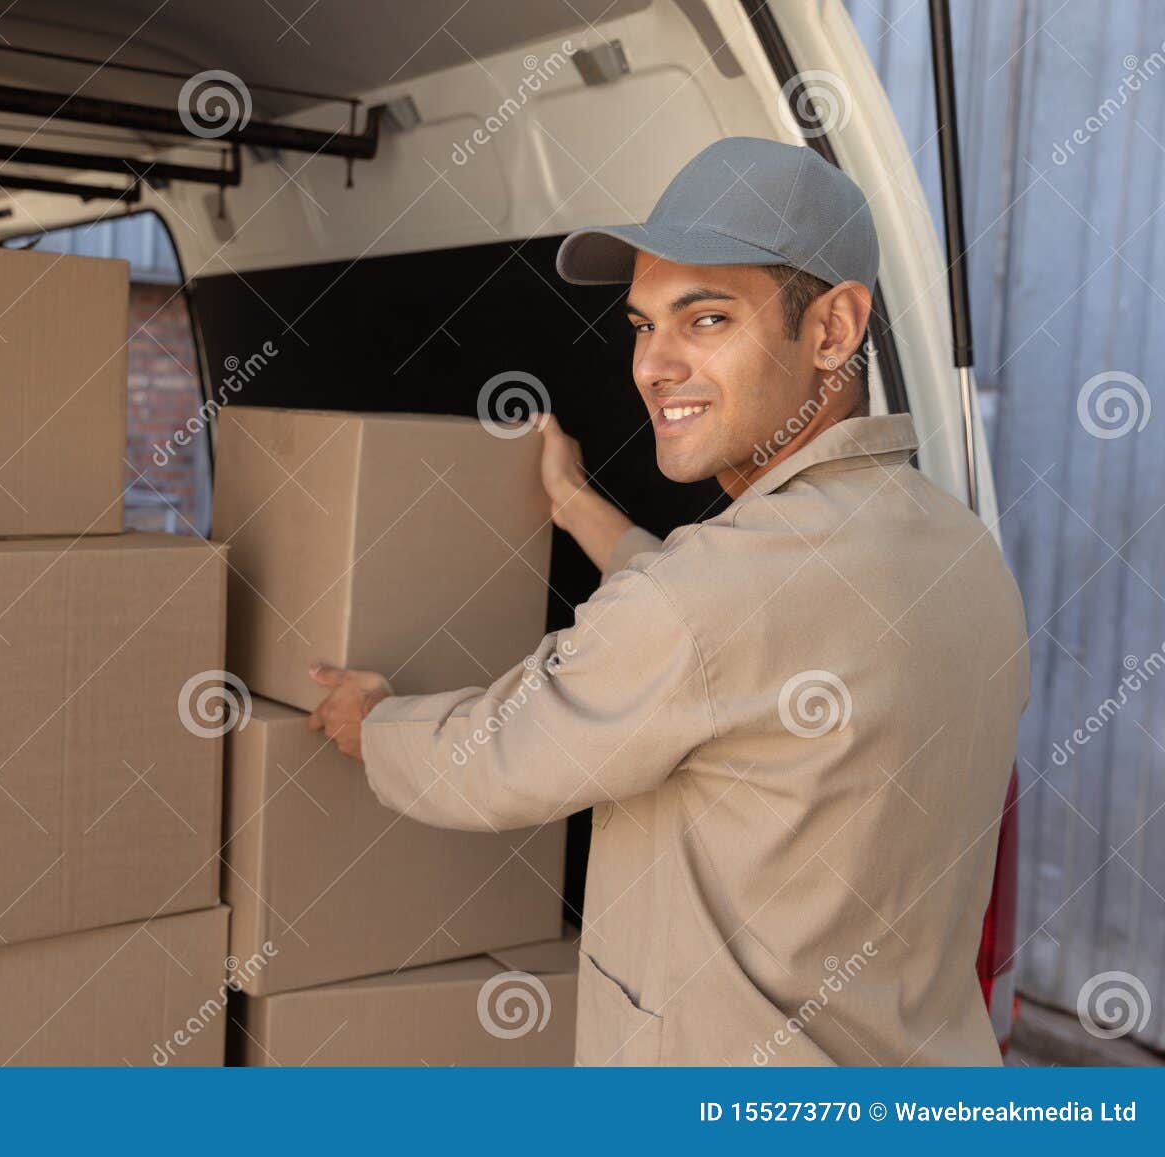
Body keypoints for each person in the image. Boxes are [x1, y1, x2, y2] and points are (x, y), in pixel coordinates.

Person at [306, 136, 1029, 1066]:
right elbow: (726, 640)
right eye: (645, 325)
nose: (652, 364)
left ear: (835, 330)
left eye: (708, 319)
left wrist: (374, 720)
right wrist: (578, 509)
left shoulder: (717, 597)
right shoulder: (962, 551)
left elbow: (491, 759)